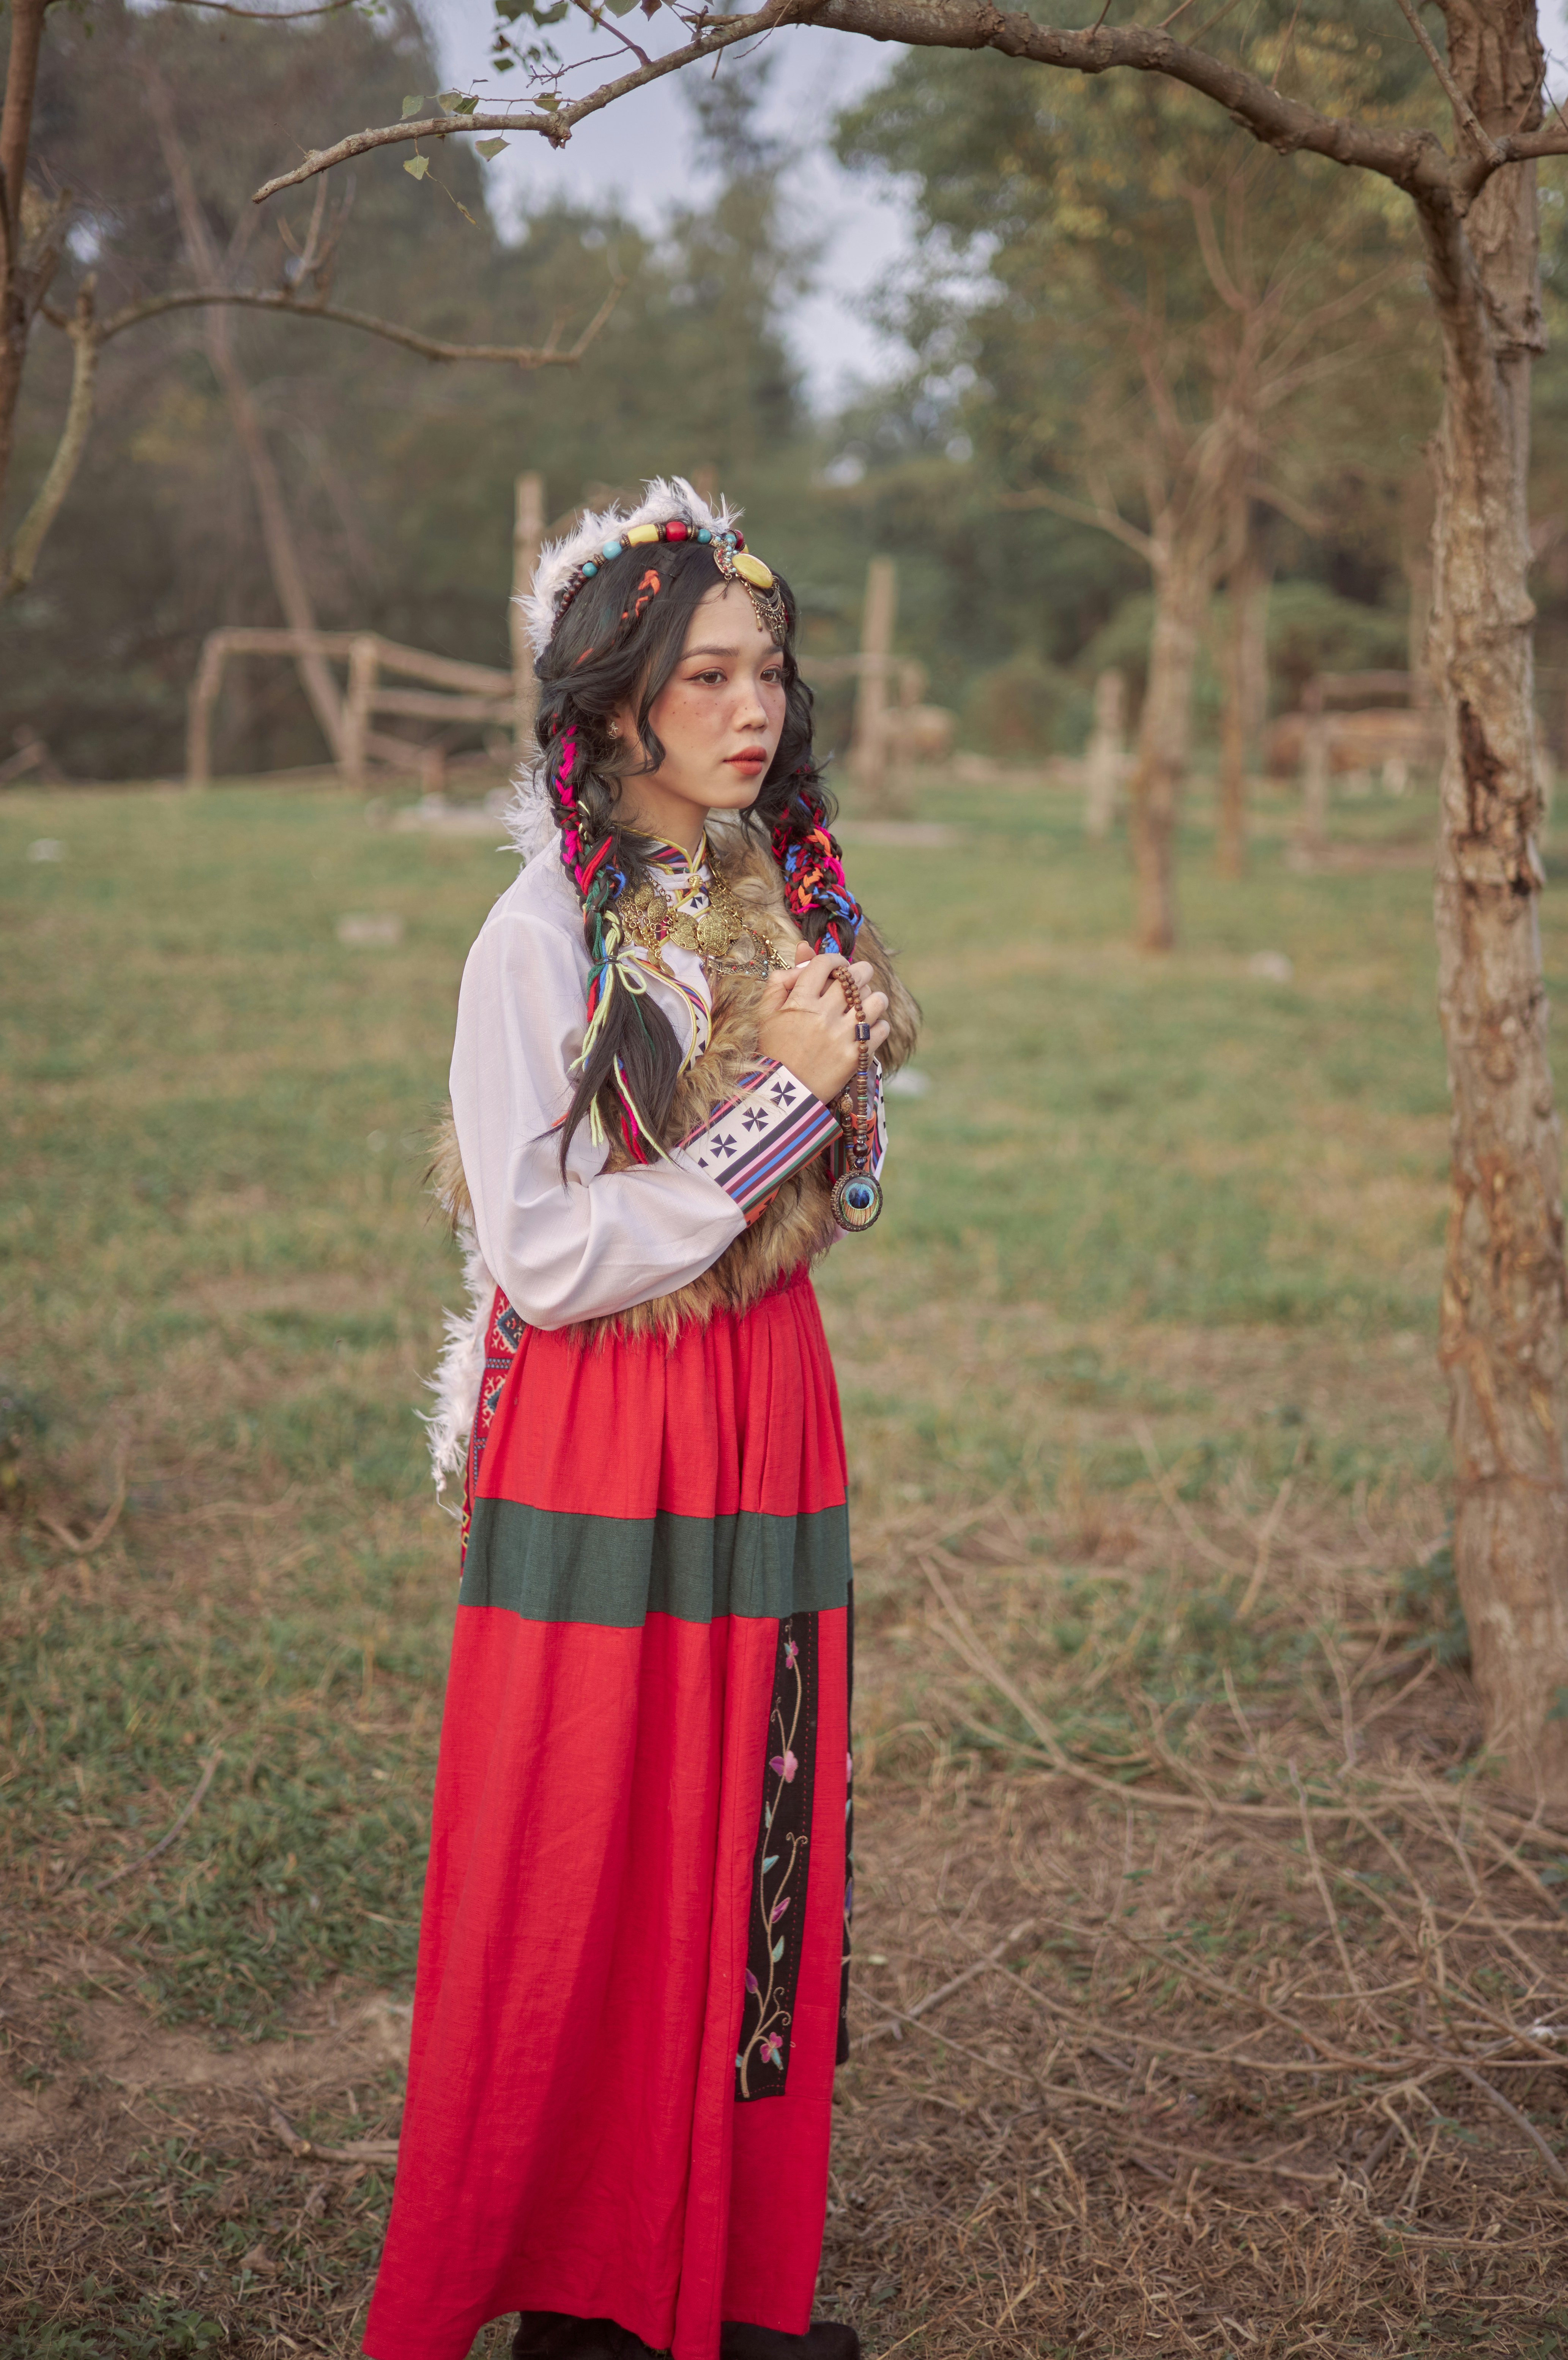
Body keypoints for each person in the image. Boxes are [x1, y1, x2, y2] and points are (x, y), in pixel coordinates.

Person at [363, 479, 919, 2360]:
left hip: (760, 1404)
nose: (749, 709)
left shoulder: (749, 894)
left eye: (766, 671)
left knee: (754, 1815)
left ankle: (723, 2291)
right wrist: (785, 1102)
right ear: (613, 707)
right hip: (613, 1431)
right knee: (598, 1842)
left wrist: (842, 1083)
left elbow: (816, 1188)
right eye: (704, 677)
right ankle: (589, 2298)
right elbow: (540, 1256)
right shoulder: (535, 939)